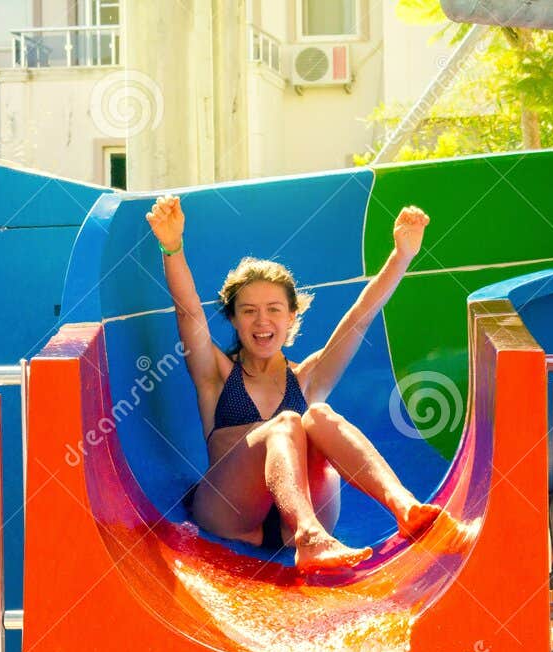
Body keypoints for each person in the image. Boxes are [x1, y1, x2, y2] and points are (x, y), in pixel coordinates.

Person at [145, 193, 445, 574]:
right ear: (234, 320)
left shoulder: (307, 377)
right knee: (287, 422)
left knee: (317, 414)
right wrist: (171, 247)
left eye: (273, 310)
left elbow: (359, 320)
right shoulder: (216, 374)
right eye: (248, 311)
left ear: (291, 318)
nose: (261, 321)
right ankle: (310, 539)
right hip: (232, 512)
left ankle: (404, 506)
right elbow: (188, 314)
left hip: (304, 507)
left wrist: (401, 255)